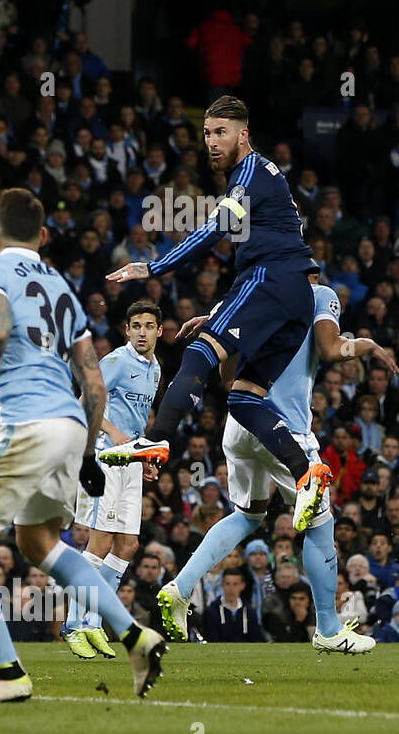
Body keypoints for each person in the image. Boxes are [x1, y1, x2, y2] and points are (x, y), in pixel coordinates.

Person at [0, 188, 166, 704]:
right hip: (69, 424)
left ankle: (6, 671)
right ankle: (135, 635)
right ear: (43, 237)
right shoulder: (62, 285)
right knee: (38, 543)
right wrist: (84, 455)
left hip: (26, 421)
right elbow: (94, 384)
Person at [103, 96, 331, 532]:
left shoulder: (247, 174)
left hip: (270, 282)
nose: (211, 141)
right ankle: (307, 472)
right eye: (206, 133)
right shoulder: (265, 175)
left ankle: (154, 441)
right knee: (245, 398)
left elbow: (216, 229)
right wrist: (223, 309)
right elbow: (264, 250)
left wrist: (153, 266)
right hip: (293, 295)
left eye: (220, 132)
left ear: (243, 134)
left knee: (198, 355)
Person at [158, 269, 389, 654]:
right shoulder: (317, 295)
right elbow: (331, 348)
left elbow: (228, 377)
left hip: (241, 424)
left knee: (248, 514)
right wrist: (367, 345)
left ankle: (180, 588)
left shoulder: (242, 297)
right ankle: (329, 629)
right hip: (285, 430)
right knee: (320, 526)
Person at [64, 299, 162, 659]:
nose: (141, 332)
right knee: (100, 542)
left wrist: (145, 455)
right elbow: (84, 400)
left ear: (159, 331)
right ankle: (74, 623)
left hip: (131, 460)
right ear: (127, 330)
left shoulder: (155, 370)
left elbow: (138, 419)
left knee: (128, 546)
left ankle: (93, 620)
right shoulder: (117, 361)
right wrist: (114, 432)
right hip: (105, 455)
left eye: (148, 326)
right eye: (136, 325)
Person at [203, 567, 265, 643]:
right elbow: (212, 640)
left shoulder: (249, 612)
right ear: (222, 585)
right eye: (227, 584)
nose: (231, 588)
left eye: (235, 584)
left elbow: (256, 639)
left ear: (242, 586)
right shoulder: (211, 612)